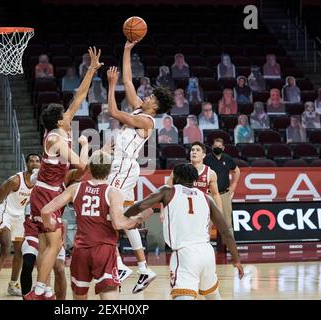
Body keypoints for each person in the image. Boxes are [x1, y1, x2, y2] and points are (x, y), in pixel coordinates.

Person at [24, 47, 102, 300]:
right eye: (65, 116)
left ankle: (44, 288)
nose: (70, 115)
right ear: (60, 122)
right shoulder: (57, 141)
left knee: (49, 244)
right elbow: (81, 166)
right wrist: (86, 147)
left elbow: (79, 96)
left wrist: (91, 69)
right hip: (46, 195)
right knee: (55, 244)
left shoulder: (58, 128)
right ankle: (38, 289)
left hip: (50, 194)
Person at [103, 41, 173, 294]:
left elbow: (112, 111)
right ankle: (143, 268)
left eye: (151, 97)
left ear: (155, 106)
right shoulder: (140, 108)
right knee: (126, 214)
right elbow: (130, 80)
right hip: (124, 166)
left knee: (109, 214)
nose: (147, 97)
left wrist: (111, 85)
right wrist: (127, 50)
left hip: (123, 166)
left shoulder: (146, 119)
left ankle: (120, 265)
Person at [40, 151, 151, 300]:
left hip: (81, 250)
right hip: (104, 250)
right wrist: (138, 219)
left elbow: (46, 210)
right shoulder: (113, 192)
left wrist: (49, 223)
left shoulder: (76, 188)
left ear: (90, 169)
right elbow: (118, 224)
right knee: (109, 296)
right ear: (110, 170)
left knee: (80, 296)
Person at [124, 164, 244, 300]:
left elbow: (141, 206)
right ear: (194, 179)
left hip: (185, 253)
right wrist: (237, 260)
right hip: (207, 252)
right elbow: (226, 231)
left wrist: (124, 216)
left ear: (176, 176)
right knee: (212, 294)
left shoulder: (168, 191)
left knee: (183, 296)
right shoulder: (206, 198)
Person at [21, 153, 81, 300]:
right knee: (33, 261)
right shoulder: (40, 181)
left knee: (59, 268)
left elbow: (81, 170)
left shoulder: (66, 180)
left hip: (54, 224)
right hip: (36, 226)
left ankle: (49, 293)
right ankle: (42, 289)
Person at [0, 156, 40, 299]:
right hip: (4, 213)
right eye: (32, 160)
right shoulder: (15, 181)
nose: (35, 163)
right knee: (6, 249)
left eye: (37, 161)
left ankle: (13, 284)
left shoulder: (38, 182)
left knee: (20, 252)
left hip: (19, 216)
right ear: (26, 164)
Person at [204, 138, 241, 251]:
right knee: (206, 222)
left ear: (223, 148)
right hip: (210, 195)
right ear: (212, 147)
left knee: (227, 222)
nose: (217, 148)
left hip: (224, 194)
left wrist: (233, 186)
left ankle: (230, 247)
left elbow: (236, 171)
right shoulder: (207, 159)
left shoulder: (227, 159)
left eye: (220, 146)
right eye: (215, 146)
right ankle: (204, 246)